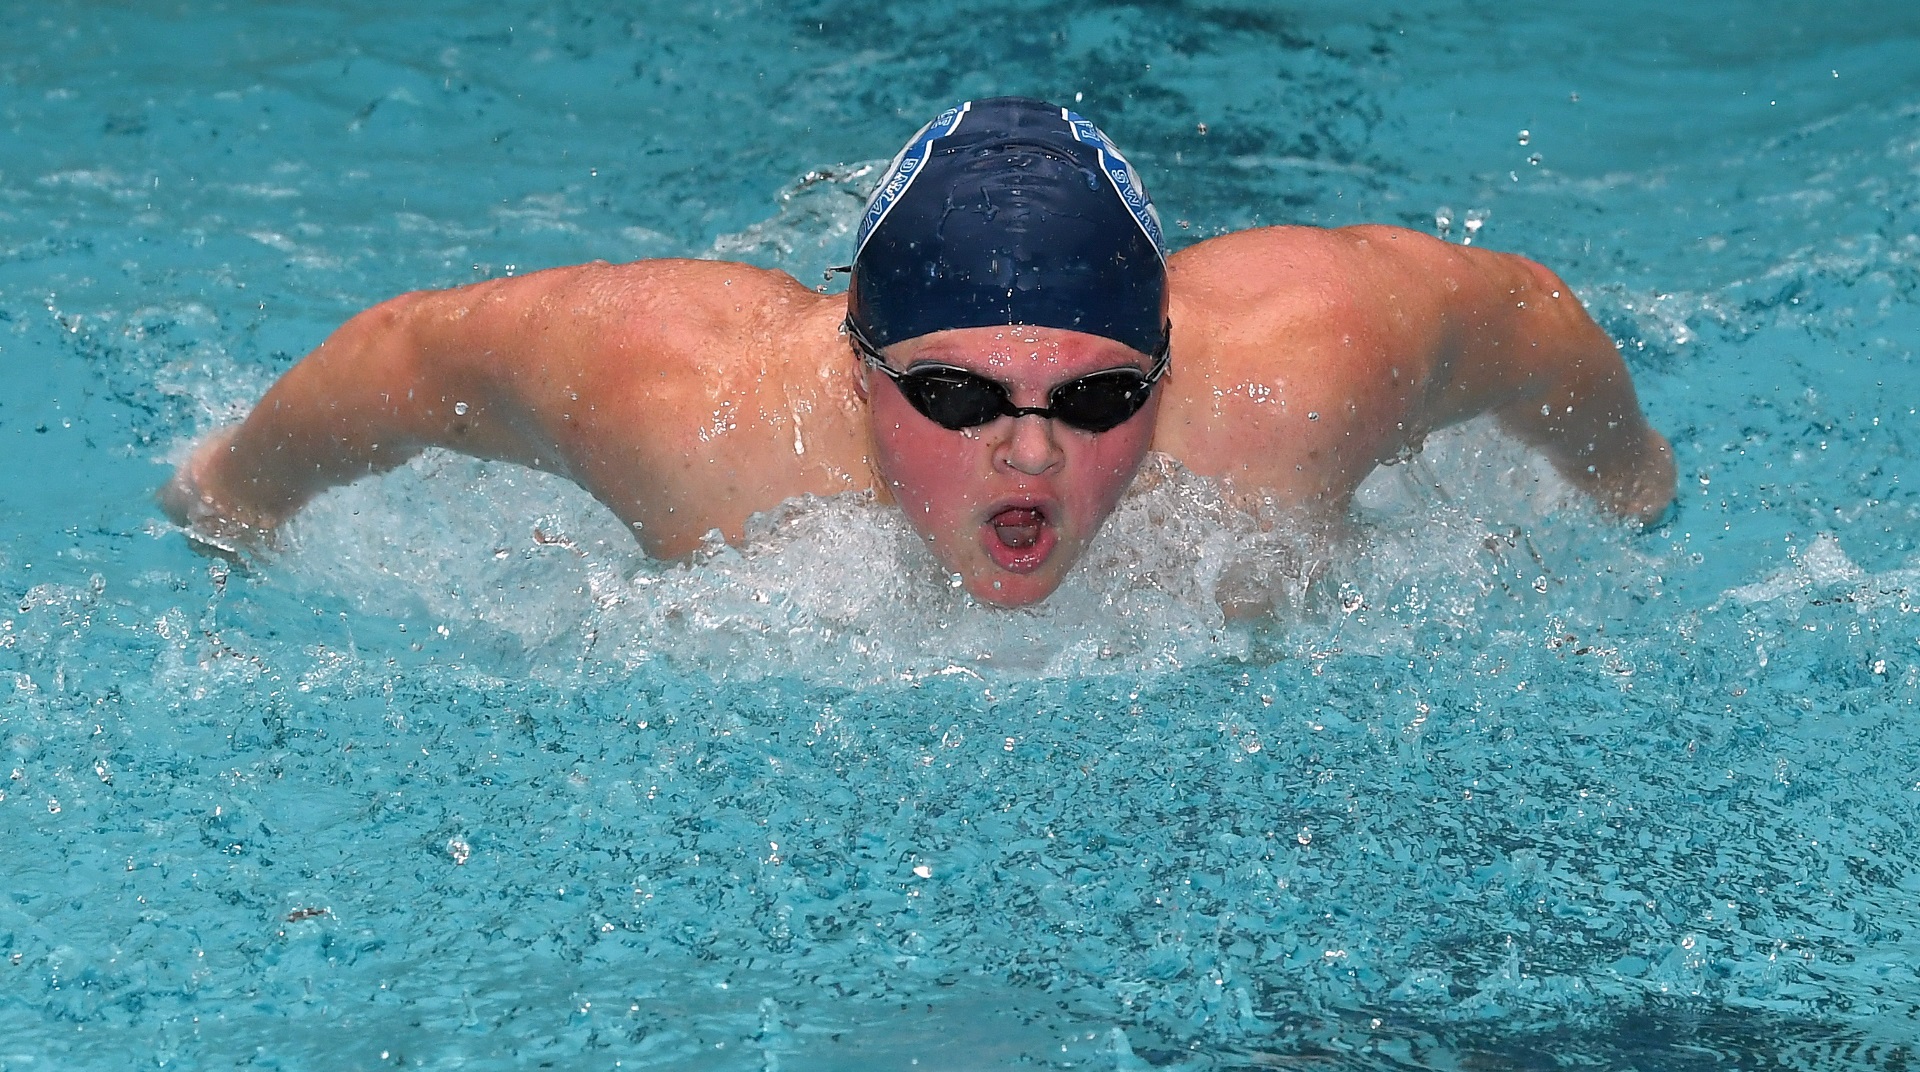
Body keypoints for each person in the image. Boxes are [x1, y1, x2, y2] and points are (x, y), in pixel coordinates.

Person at [161, 97, 1675, 608]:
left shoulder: (1300, 377)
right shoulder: (685, 409)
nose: (1031, 452)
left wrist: (1632, 492)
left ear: (1170, 369)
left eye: (1097, 399)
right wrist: (232, 494)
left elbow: (1526, 316)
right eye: (956, 396)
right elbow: (417, 356)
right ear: (854, 364)